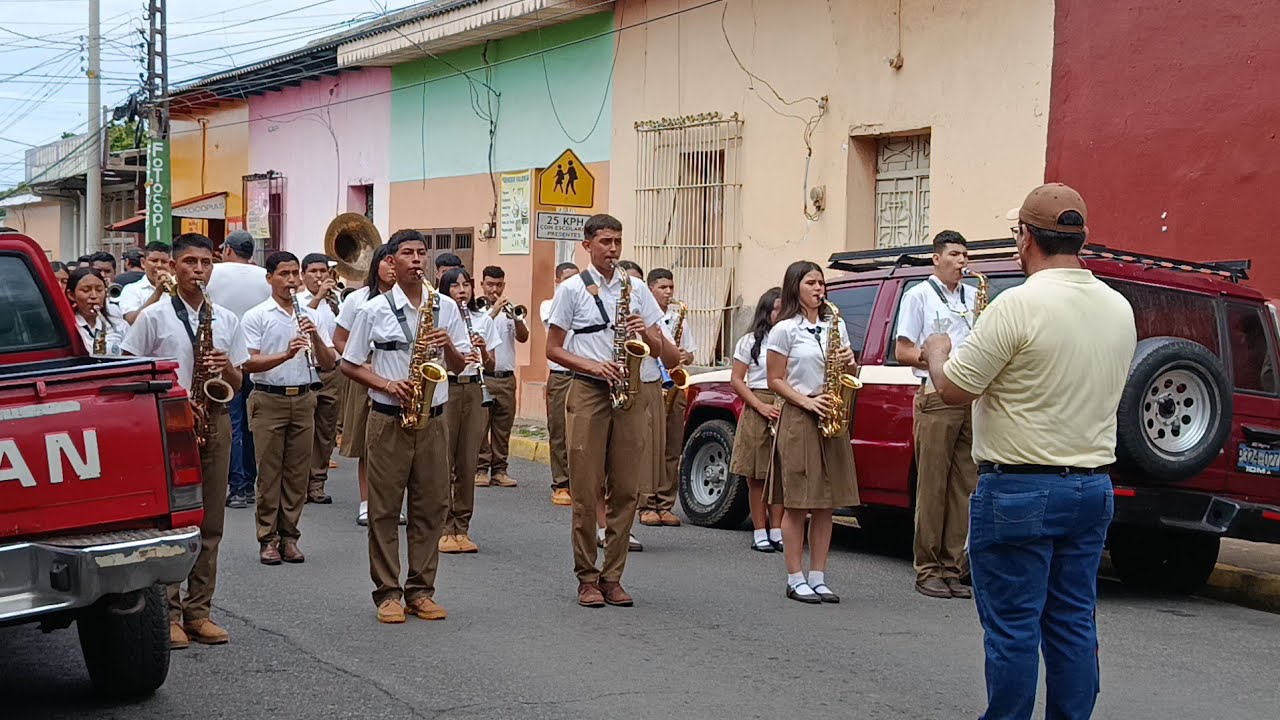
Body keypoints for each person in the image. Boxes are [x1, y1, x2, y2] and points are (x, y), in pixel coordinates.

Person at [920, 184, 1136, 720]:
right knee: (1074, 623)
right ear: (1079, 238)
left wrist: (937, 352)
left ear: (1025, 239)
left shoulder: (1016, 305)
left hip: (1018, 486)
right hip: (1090, 485)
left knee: (1014, 628)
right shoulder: (1119, 307)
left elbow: (954, 390)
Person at [120, 233, 248, 649]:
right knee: (175, 522)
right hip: (170, 425)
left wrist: (225, 366)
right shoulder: (154, 316)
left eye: (206, 263)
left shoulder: (225, 319)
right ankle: (170, 613)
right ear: (173, 267)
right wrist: (175, 402)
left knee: (211, 523)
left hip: (214, 419)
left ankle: (200, 612)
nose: (198, 270)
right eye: (190, 262)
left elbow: (239, 381)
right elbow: (131, 374)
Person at [340, 229, 470, 624]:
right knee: (383, 509)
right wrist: (386, 383)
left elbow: (461, 364)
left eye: (421, 253)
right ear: (391, 262)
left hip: (433, 419)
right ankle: (387, 593)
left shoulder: (444, 306)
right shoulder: (372, 310)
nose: (416, 260)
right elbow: (348, 363)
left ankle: (421, 590)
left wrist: (447, 345)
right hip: (387, 418)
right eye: (408, 254)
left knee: (431, 506)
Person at [546, 214, 672, 608]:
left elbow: (669, 353)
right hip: (588, 390)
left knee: (626, 489)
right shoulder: (571, 290)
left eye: (617, 241)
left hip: (629, 393)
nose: (613, 249)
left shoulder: (636, 288)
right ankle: (586, 577)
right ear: (587, 246)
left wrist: (648, 334)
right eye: (605, 242)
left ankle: (612, 576)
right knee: (585, 490)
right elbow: (552, 349)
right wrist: (591, 365)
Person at [765, 260, 860, 605]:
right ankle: (794, 577)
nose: (819, 289)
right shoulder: (784, 329)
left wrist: (849, 360)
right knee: (798, 503)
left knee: (826, 504)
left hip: (830, 415)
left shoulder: (836, 324)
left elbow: (850, 369)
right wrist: (806, 402)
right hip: (800, 416)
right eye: (811, 283)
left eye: (821, 283)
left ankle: (818, 576)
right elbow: (775, 379)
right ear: (796, 288)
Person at [894, 230, 981, 600]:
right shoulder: (918, 295)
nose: (962, 262)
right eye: (955, 255)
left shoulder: (975, 297)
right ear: (936, 258)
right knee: (932, 486)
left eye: (965, 255)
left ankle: (953, 567)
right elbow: (902, 350)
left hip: (970, 397)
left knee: (964, 486)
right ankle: (928, 568)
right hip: (935, 394)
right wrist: (933, 358)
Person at [241, 251, 337, 566]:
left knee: (297, 474)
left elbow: (328, 363)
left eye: (295, 273)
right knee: (270, 474)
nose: (292, 280)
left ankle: (290, 538)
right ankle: (267, 539)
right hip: (269, 398)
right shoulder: (257, 315)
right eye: (284, 274)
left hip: (304, 397)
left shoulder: (314, 314)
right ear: (270, 278)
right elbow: (247, 362)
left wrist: (314, 337)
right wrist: (285, 355)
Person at [609, 260, 679, 553]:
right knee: (611, 459)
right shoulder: (593, 299)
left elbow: (670, 357)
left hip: (646, 383)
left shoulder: (649, 313)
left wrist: (648, 333)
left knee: (646, 451)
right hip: (609, 384)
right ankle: (608, 524)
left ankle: (631, 520)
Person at [438, 267, 500, 554]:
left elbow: (491, 366)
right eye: (454, 285)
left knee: (467, 461)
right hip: (446, 388)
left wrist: (483, 350)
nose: (461, 290)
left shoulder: (483, 321)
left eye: (466, 284)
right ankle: (443, 526)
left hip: (474, 388)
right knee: (442, 460)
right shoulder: (440, 318)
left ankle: (462, 526)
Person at [335, 245, 398, 525]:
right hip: (365, 371)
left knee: (397, 444)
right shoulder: (358, 299)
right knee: (367, 442)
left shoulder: (413, 299)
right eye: (388, 262)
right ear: (376, 266)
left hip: (398, 373)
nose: (394, 268)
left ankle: (392, 502)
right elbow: (339, 339)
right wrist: (361, 363)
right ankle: (366, 501)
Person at [210, 232, 272, 510]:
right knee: (252, 424)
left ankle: (237, 486)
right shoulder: (264, 276)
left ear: (228, 250)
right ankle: (250, 481)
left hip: (226, 356)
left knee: (232, 421)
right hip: (258, 356)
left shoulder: (215, 273)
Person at [638, 267, 698, 528]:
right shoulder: (641, 317)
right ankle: (646, 502)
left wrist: (684, 356)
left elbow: (692, 355)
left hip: (675, 384)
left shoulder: (678, 318)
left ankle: (665, 503)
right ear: (650, 289)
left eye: (671, 287)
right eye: (663, 287)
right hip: (650, 385)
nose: (668, 292)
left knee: (672, 447)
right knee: (648, 447)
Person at [729, 287, 785, 552]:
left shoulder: (792, 338)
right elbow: (737, 380)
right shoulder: (751, 341)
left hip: (786, 403)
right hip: (759, 402)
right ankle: (759, 529)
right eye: (777, 308)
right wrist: (760, 406)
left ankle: (778, 528)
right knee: (757, 474)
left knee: (781, 473)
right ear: (766, 311)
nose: (783, 313)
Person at [475, 265, 529, 488]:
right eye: (490, 285)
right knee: (480, 427)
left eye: (498, 285)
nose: (494, 289)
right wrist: (493, 311)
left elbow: (524, 338)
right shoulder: (477, 309)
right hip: (483, 376)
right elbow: (476, 332)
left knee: (503, 427)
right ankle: (480, 470)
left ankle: (500, 470)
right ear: (482, 285)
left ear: (504, 285)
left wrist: (517, 319)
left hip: (506, 377)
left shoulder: (510, 310)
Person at [298, 253, 345, 504]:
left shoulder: (337, 301)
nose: (319, 276)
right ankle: (300, 482)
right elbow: (301, 321)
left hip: (331, 370)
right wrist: (317, 297)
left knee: (326, 432)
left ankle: (317, 483)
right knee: (305, 430)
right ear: (303, 275)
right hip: (306, 370)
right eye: (314, 271)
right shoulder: (298, 300)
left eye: (323, 271)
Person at [541, 262, 578, 506]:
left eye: (576, 279)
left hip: (582, 375)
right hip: (561, 375)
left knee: (581, 433)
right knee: (559, 431)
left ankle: (580, 482)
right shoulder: (548, 305)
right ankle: (561, 483)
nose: (571, 284)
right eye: (566, 279)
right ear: (557, 281)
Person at [66, 267, 126, 356]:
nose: (94, 296)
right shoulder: (66, 328)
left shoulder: (119, 325)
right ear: (71, 295)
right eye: (86, 290)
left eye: (99, 290)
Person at [116, 241, 174, 323]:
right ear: (143, 263)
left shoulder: (177, 288)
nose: (159, 265)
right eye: (154, 261)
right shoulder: (131, 289)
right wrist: (158, 293)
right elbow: (131, 320)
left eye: (164, 262)